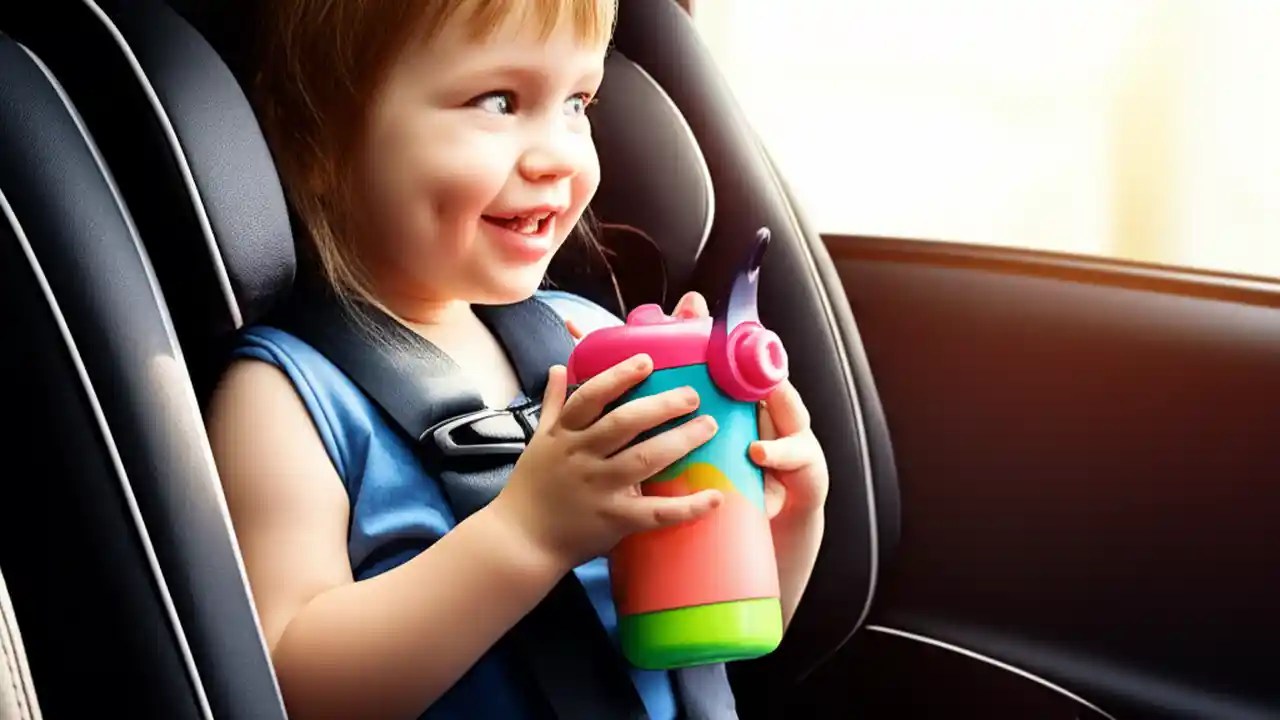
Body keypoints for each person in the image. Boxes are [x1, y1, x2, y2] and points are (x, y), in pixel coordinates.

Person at [205, 1, 830, 718]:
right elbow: (286, 685)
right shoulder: (286, 398)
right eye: (498, 101)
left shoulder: (587, 337)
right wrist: (524, 537)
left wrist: (773, 517)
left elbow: (706, 637)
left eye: (577, 103)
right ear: (320, 144)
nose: (560, 154)